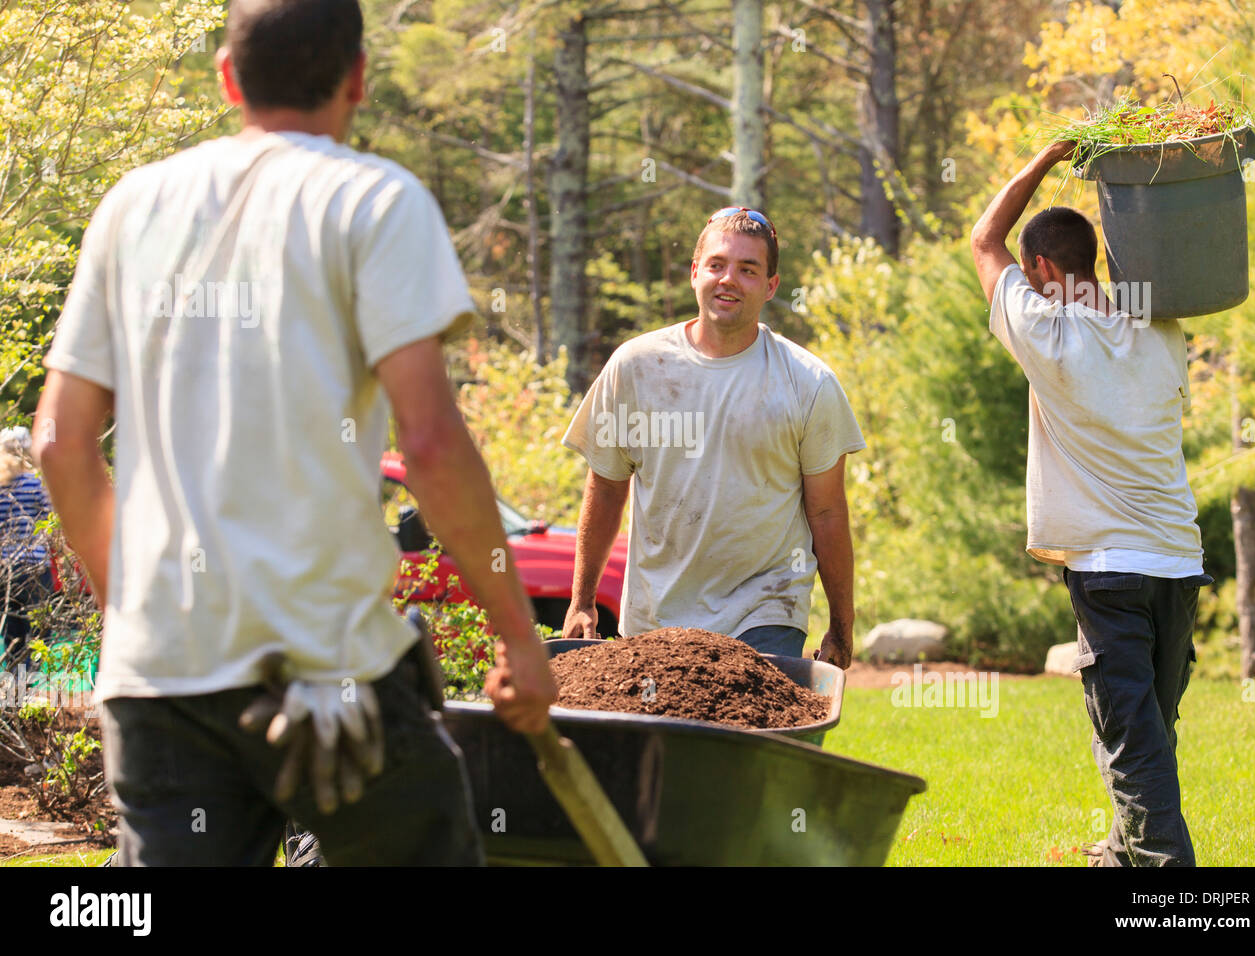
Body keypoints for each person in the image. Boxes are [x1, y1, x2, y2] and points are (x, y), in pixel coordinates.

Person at [34, 0, 555, 866]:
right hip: (329, 668)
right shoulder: (377, 202)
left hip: (161, 680)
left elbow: (58, 441)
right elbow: (428, 447)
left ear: (228, 79)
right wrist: (517, 635)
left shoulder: (134, 207)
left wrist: (135, 607)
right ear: (357, 79)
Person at [970, 141, 1211, 867]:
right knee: (1149, 733)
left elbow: (984, 239)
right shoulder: (1163, 328)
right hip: (1177, 562)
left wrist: (1046, 156)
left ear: (1041, 269)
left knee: (1135, 745)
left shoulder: (1045, 329)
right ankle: (1117, 859)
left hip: (1108, 573)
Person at [561, 207, 865, 669]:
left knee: (747, 732)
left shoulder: (807, 383)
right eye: (717, 265)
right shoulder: (636, 367)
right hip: (654, 616)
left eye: (748, 270)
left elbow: (825, 511)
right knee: (661, 743)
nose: (729, 280)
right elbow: (605, 488)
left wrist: (842, 626)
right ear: (694, 273)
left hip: (765, 611)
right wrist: (581, 600)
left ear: (770, 286)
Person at [0, 426, 53, 666]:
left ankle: (15, 693)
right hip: (35, 567)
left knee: (12, 635)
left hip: (5, 569)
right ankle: (36, 691)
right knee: (41, 634)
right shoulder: (35, 483)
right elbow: (51, 521)